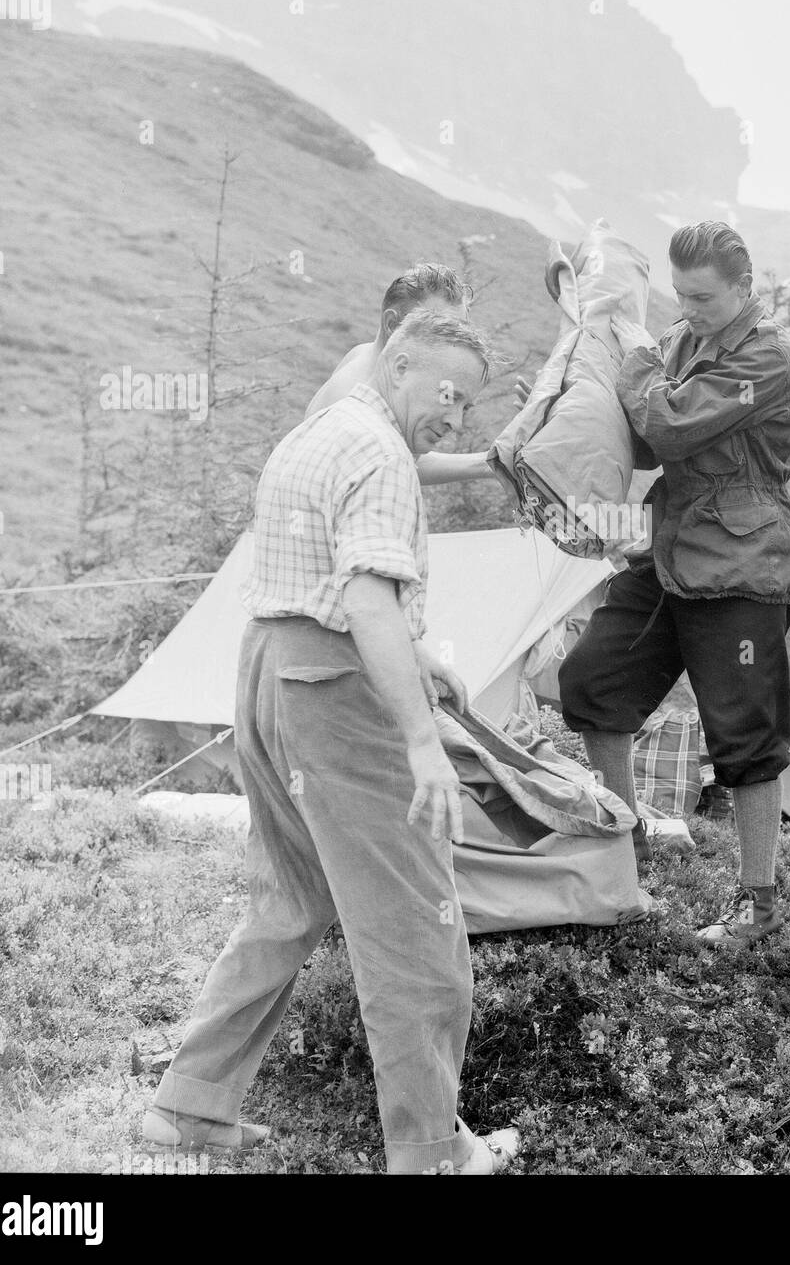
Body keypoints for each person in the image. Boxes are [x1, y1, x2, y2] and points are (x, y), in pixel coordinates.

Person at [143, 308, 519, 1174]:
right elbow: (364, 602)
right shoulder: (382, 455)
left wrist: (416, 658)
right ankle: (430, 1152)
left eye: (467, 408)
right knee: (414, 923)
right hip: (331, 700)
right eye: (446, 394)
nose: (453, 420)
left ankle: (189, 1105)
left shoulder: (324, 428)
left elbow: (321, 578)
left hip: (268, 671)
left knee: (290, 900)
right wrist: (423, 744)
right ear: (398, 363)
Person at [559, 221, 790, 948]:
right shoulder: (684, 339)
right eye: (680, 294)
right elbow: (641, 434)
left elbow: (667, 422)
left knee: (745, 736)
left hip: (740, 565)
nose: (688, 307)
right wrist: (570, 406)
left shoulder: (769, 360)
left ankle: (756, 905)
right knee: (592, 682)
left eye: (702, 296)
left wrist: (636, 359)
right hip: (667, 549)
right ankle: (622, 844)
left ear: (743, 287)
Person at [307, 262, 499, 486]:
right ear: (391, 323)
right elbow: (393, 464)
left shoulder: (362, 355)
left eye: (459, 331)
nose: (455, 343)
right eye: (439, 329)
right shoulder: (356, 403)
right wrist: (489, 463)